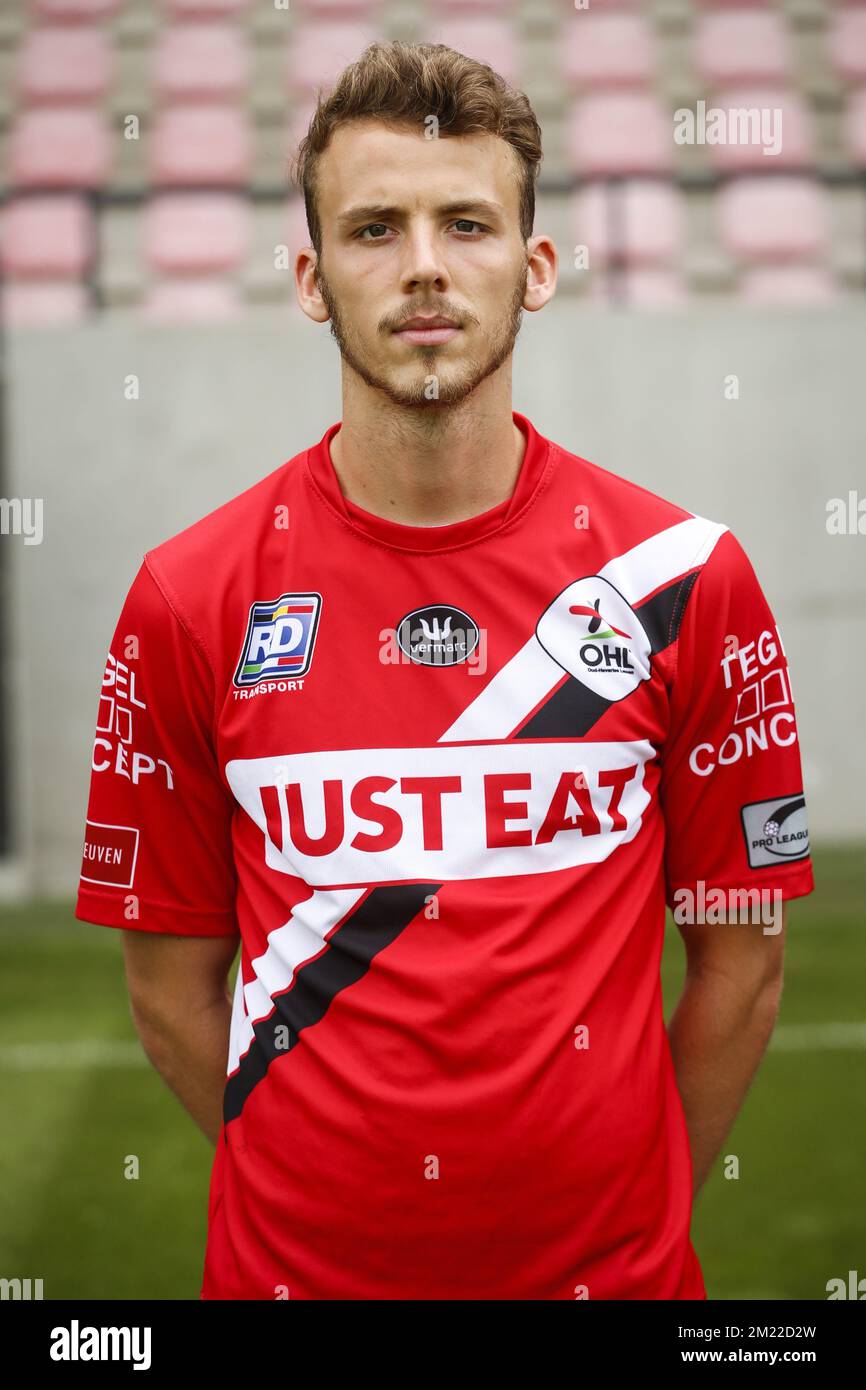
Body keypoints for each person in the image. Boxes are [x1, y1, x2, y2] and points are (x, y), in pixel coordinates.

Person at [74, 41, 814, 1300]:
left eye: (464, 222)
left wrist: (628, 1214)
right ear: (311, 280)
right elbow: (169, 991)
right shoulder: (186, 598)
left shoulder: (688, 581)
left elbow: (740, 958)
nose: (422, 263)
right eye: (374, 228)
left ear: (532, 269)